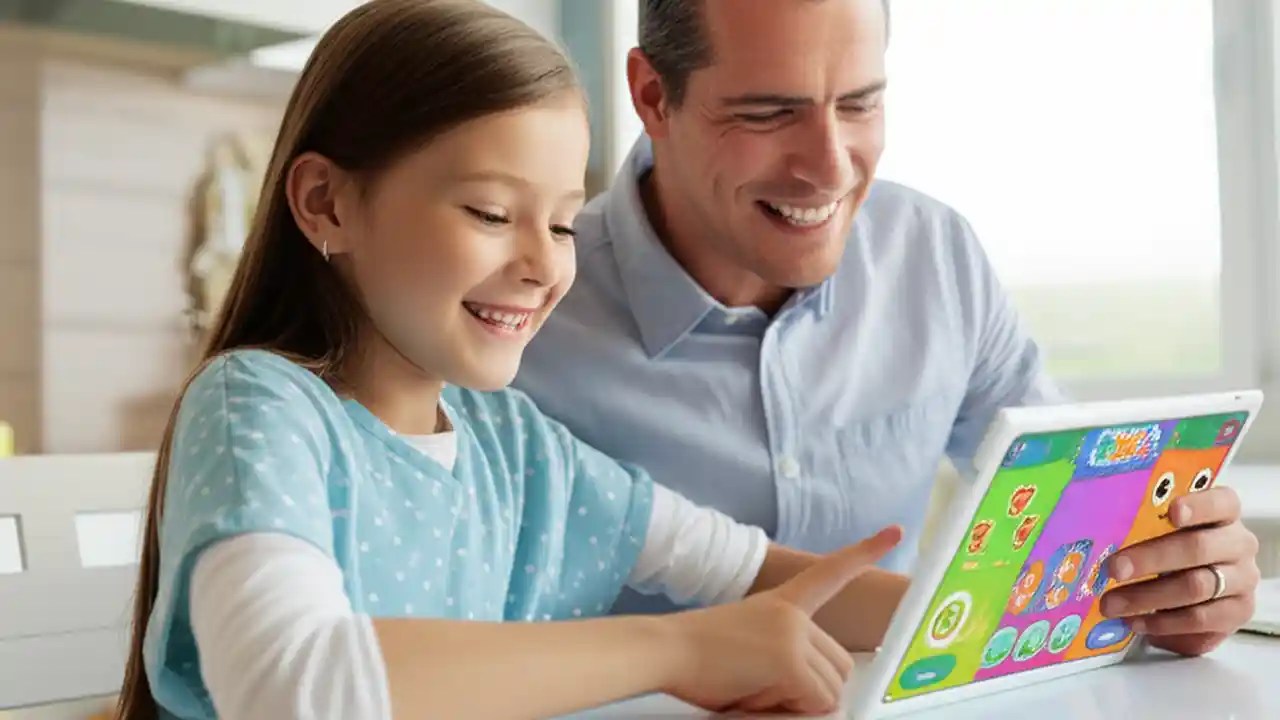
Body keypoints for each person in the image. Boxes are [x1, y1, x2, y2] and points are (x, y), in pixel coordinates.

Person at [113, 2, 916, 719]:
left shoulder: (515, 447)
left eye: (564, 224)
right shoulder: (259, 406)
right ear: (327, 203)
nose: (544, 265)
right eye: (492, 213)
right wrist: (685, 650)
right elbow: (290, 685)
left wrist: (998, 618)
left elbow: (743, 571)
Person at [514, 0, 1262, 656]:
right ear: (653, 96)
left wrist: (1175, 576)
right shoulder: (523, 315)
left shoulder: (933, 257)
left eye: (859, 105)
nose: (830, 168)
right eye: (770, 113)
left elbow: (1085, 518)